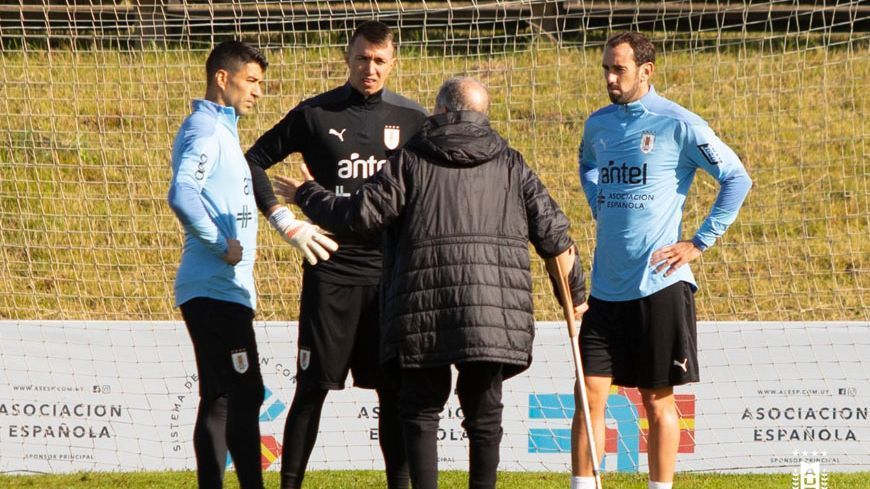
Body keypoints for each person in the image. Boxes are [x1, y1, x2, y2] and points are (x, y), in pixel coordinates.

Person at [273, 76, 587, 489]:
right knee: (485, 414)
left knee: (420, 410)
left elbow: (359, 217)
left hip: (422, 309)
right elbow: (556, 238)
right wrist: (576, 295)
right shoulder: (511, 163)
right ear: (482, 114)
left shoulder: (411, 159)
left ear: (438, 112)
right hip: (491, 314)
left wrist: (309, 194)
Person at [244, 20, 428, 489]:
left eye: (380, 60)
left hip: (391, 275)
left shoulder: (413, 120)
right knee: (311, 389)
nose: (370, 68)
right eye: (363, 58)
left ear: (393, 62)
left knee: (393, 393)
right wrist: (284, 219)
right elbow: (251, 160)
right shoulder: (314, 114)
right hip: (329, 270)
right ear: (347, 58)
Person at [572, 32, 752, 489]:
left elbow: (736, 178)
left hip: (660, 285)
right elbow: (588, 163)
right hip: (604, 289)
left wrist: (698, 242)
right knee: (587, 394)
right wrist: (598, 200)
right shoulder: (599, 125)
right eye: (606, 69)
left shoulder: (679, 123)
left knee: (657, 401)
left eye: (620, 69)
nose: (611, 78)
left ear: (646, 71)